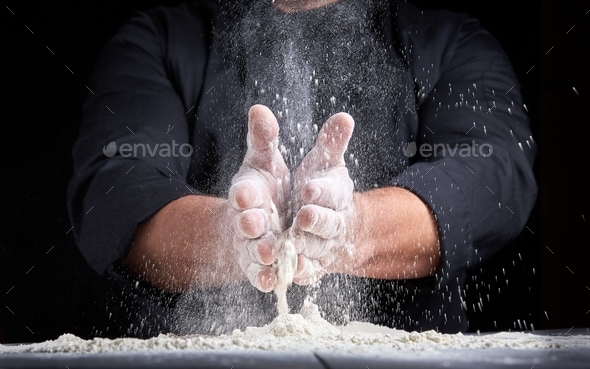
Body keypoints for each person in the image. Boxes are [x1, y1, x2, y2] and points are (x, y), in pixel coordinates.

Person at [67, 0, 537, 338]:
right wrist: (232, 237)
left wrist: (354, 228)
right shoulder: (160, 41)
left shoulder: (449, 41)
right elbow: (112, 189)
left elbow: (497, 173)